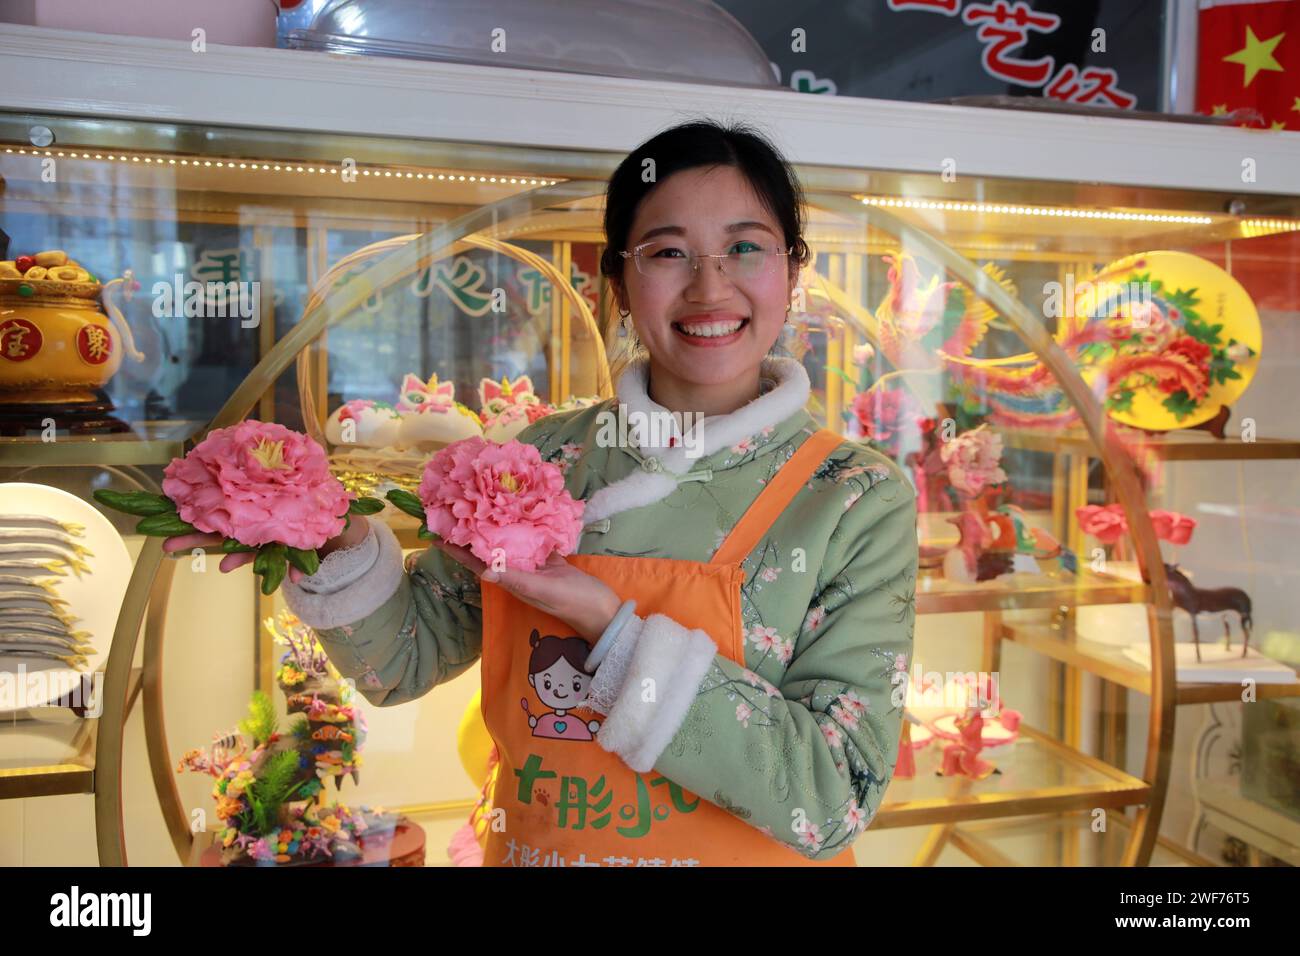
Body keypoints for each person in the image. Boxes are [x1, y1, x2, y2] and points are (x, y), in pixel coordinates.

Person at [167, 119, 918, 867]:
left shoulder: (852, 499)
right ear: (617, 283)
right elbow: (401, 664)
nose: (709, 285)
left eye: (745, 247)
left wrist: (606, 624)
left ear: (793, 272)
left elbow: (833, 797)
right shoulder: (541, 457)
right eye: (667, 252)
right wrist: (328, 536)